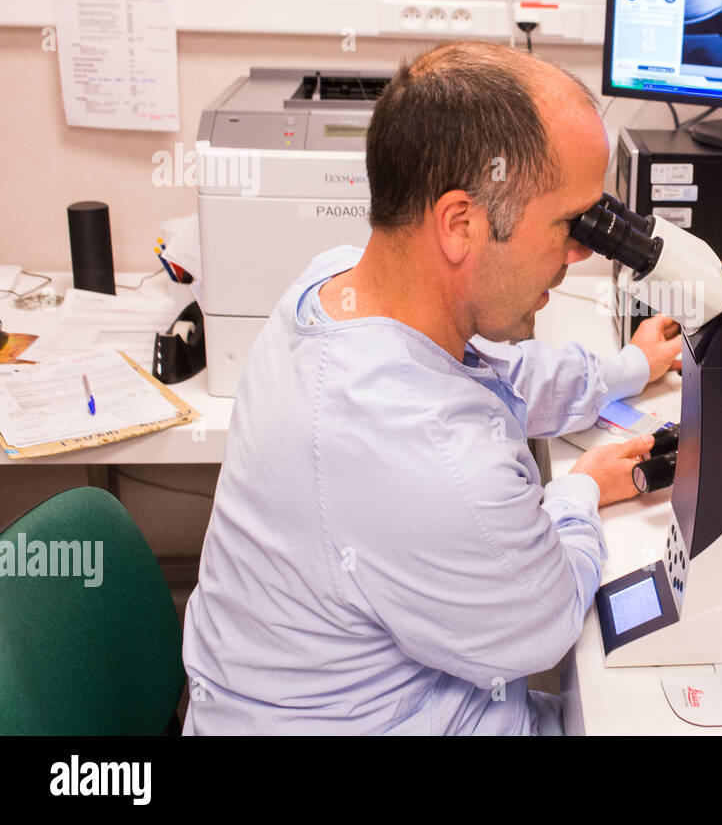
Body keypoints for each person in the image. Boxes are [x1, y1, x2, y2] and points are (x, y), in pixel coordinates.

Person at [182, 42, 682, 735]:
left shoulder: (336, 286)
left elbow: (499, 375)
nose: (583, 253)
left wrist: (627, 367)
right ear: (460, 223)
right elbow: (546, 623)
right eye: (572, 225)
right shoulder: (428, 454)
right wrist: (581, 493)